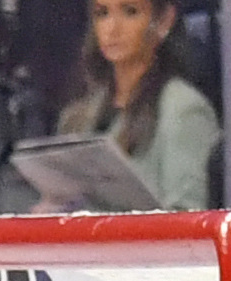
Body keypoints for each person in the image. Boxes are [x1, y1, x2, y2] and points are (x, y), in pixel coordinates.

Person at [55, 0, 220, 211]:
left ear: (164, 20)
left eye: (130, 12)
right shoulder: (81, 113)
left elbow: (187, 215)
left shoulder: (183, 109)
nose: (113, 28)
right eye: (102, 13)